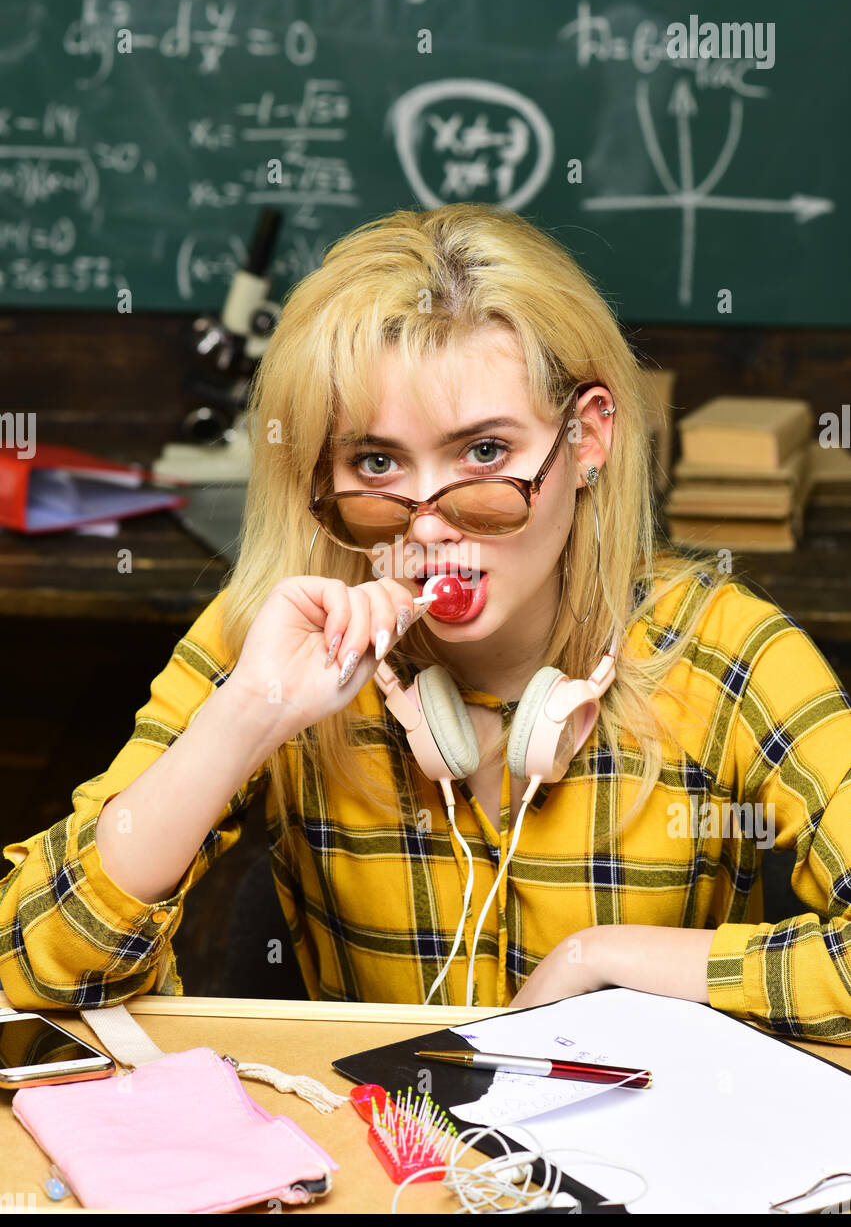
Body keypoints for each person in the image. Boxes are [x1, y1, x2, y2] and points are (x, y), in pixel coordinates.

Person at [2, 204, 850, 1040]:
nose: (428, 525)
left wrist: (606, 958)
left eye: (483, 453)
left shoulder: (727, 652)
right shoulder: (280, 635)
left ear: (587, 438)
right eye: (375, 462)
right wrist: (249, 712)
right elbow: (28, 968)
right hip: (379, 1163)